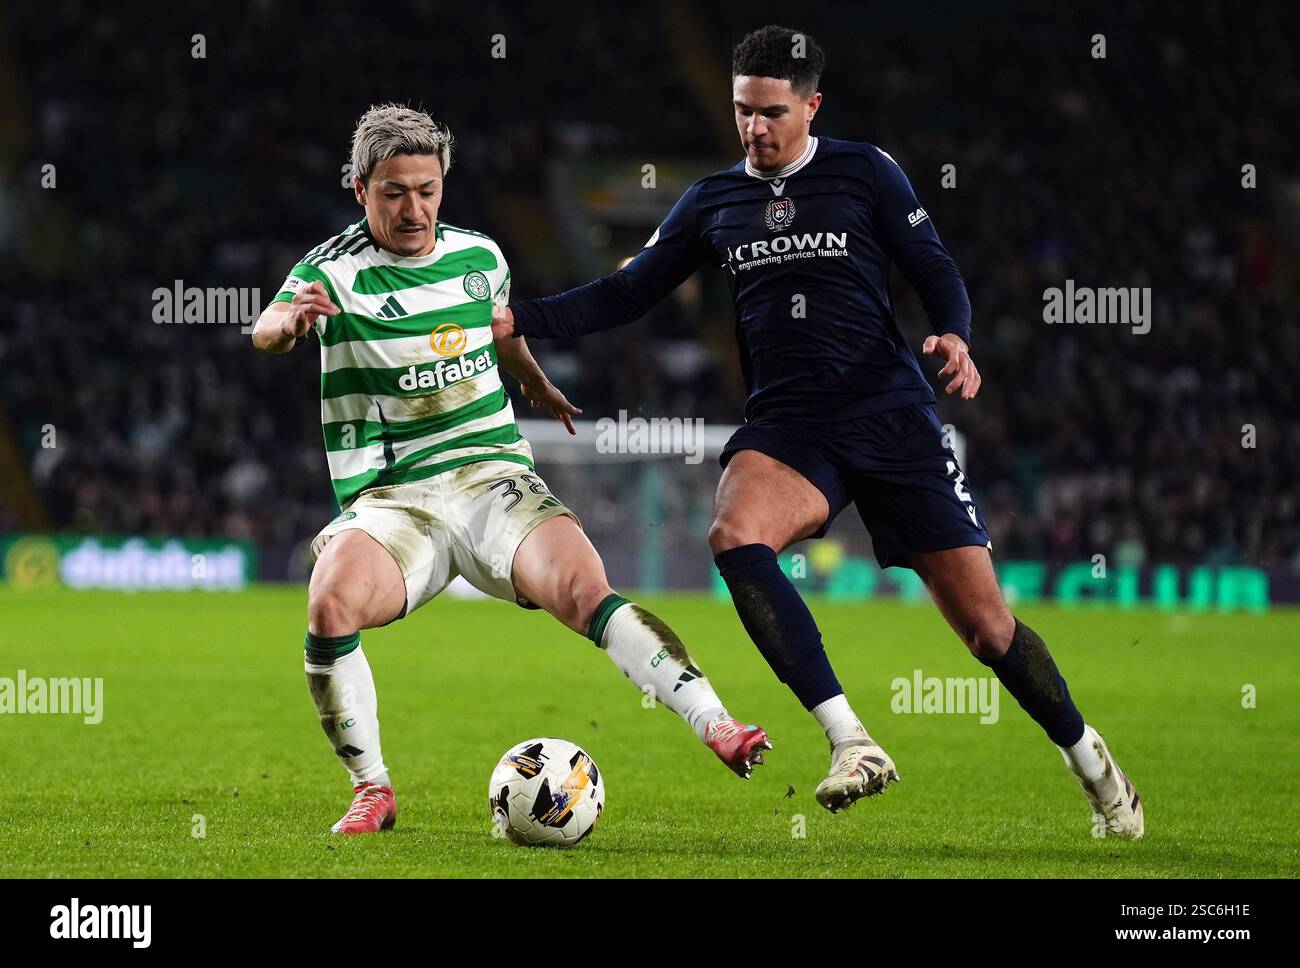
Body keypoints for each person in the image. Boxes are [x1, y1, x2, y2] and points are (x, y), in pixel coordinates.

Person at [493, 28, 1142, 837]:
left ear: (811, 106)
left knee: (987, 631)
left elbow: (933, 265)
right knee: (734, 536)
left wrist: (955, 332)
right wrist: (522, 316)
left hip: (894, 419)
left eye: (771, 112)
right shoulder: (712, 201)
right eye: (741, 111)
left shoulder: (864, 171)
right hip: (792, 427)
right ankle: (852, 741)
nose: (753, 128)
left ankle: (1092, 763)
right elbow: (625, 295)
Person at [251, 104, 770, 835]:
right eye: (394, 191)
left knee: (587, 588)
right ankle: (372, 787)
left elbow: (497, 328)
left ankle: (716, 722)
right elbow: (265, 329)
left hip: (493, 475)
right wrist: (292, 323)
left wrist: (530, 377)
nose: (414, 208)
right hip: (395, 499)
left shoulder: (480, 257)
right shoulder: (329, 272)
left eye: (428, 189)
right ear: (360, 188)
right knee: (328, 606)